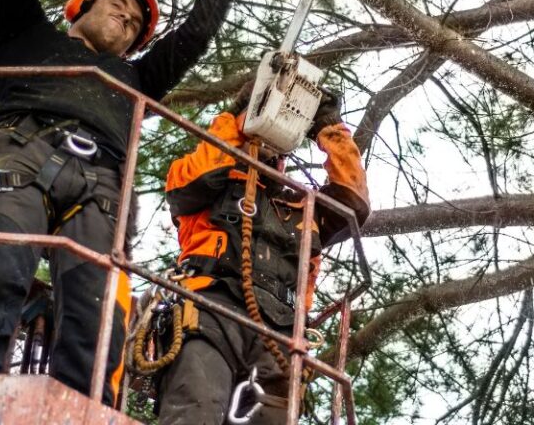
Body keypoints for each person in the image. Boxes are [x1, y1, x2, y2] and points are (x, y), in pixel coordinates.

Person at [0, 0, 283, 407]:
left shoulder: (138, 79)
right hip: (20, 154)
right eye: (118, 2)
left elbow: (196, 34)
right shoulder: (25, 35)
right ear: (82, 4)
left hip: (99, 184)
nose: (128, 15)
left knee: (99, 315)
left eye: (137, 22)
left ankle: (87, 411)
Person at [149, 84, 370, 424]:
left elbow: (353, 202)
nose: (268, 153)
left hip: (280, 333)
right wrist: (238, 117)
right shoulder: (209, 185)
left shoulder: (304, 208)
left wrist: (328, 127)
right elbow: (199, 176)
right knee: (196, 407)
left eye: (275, 152)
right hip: (210, 311)